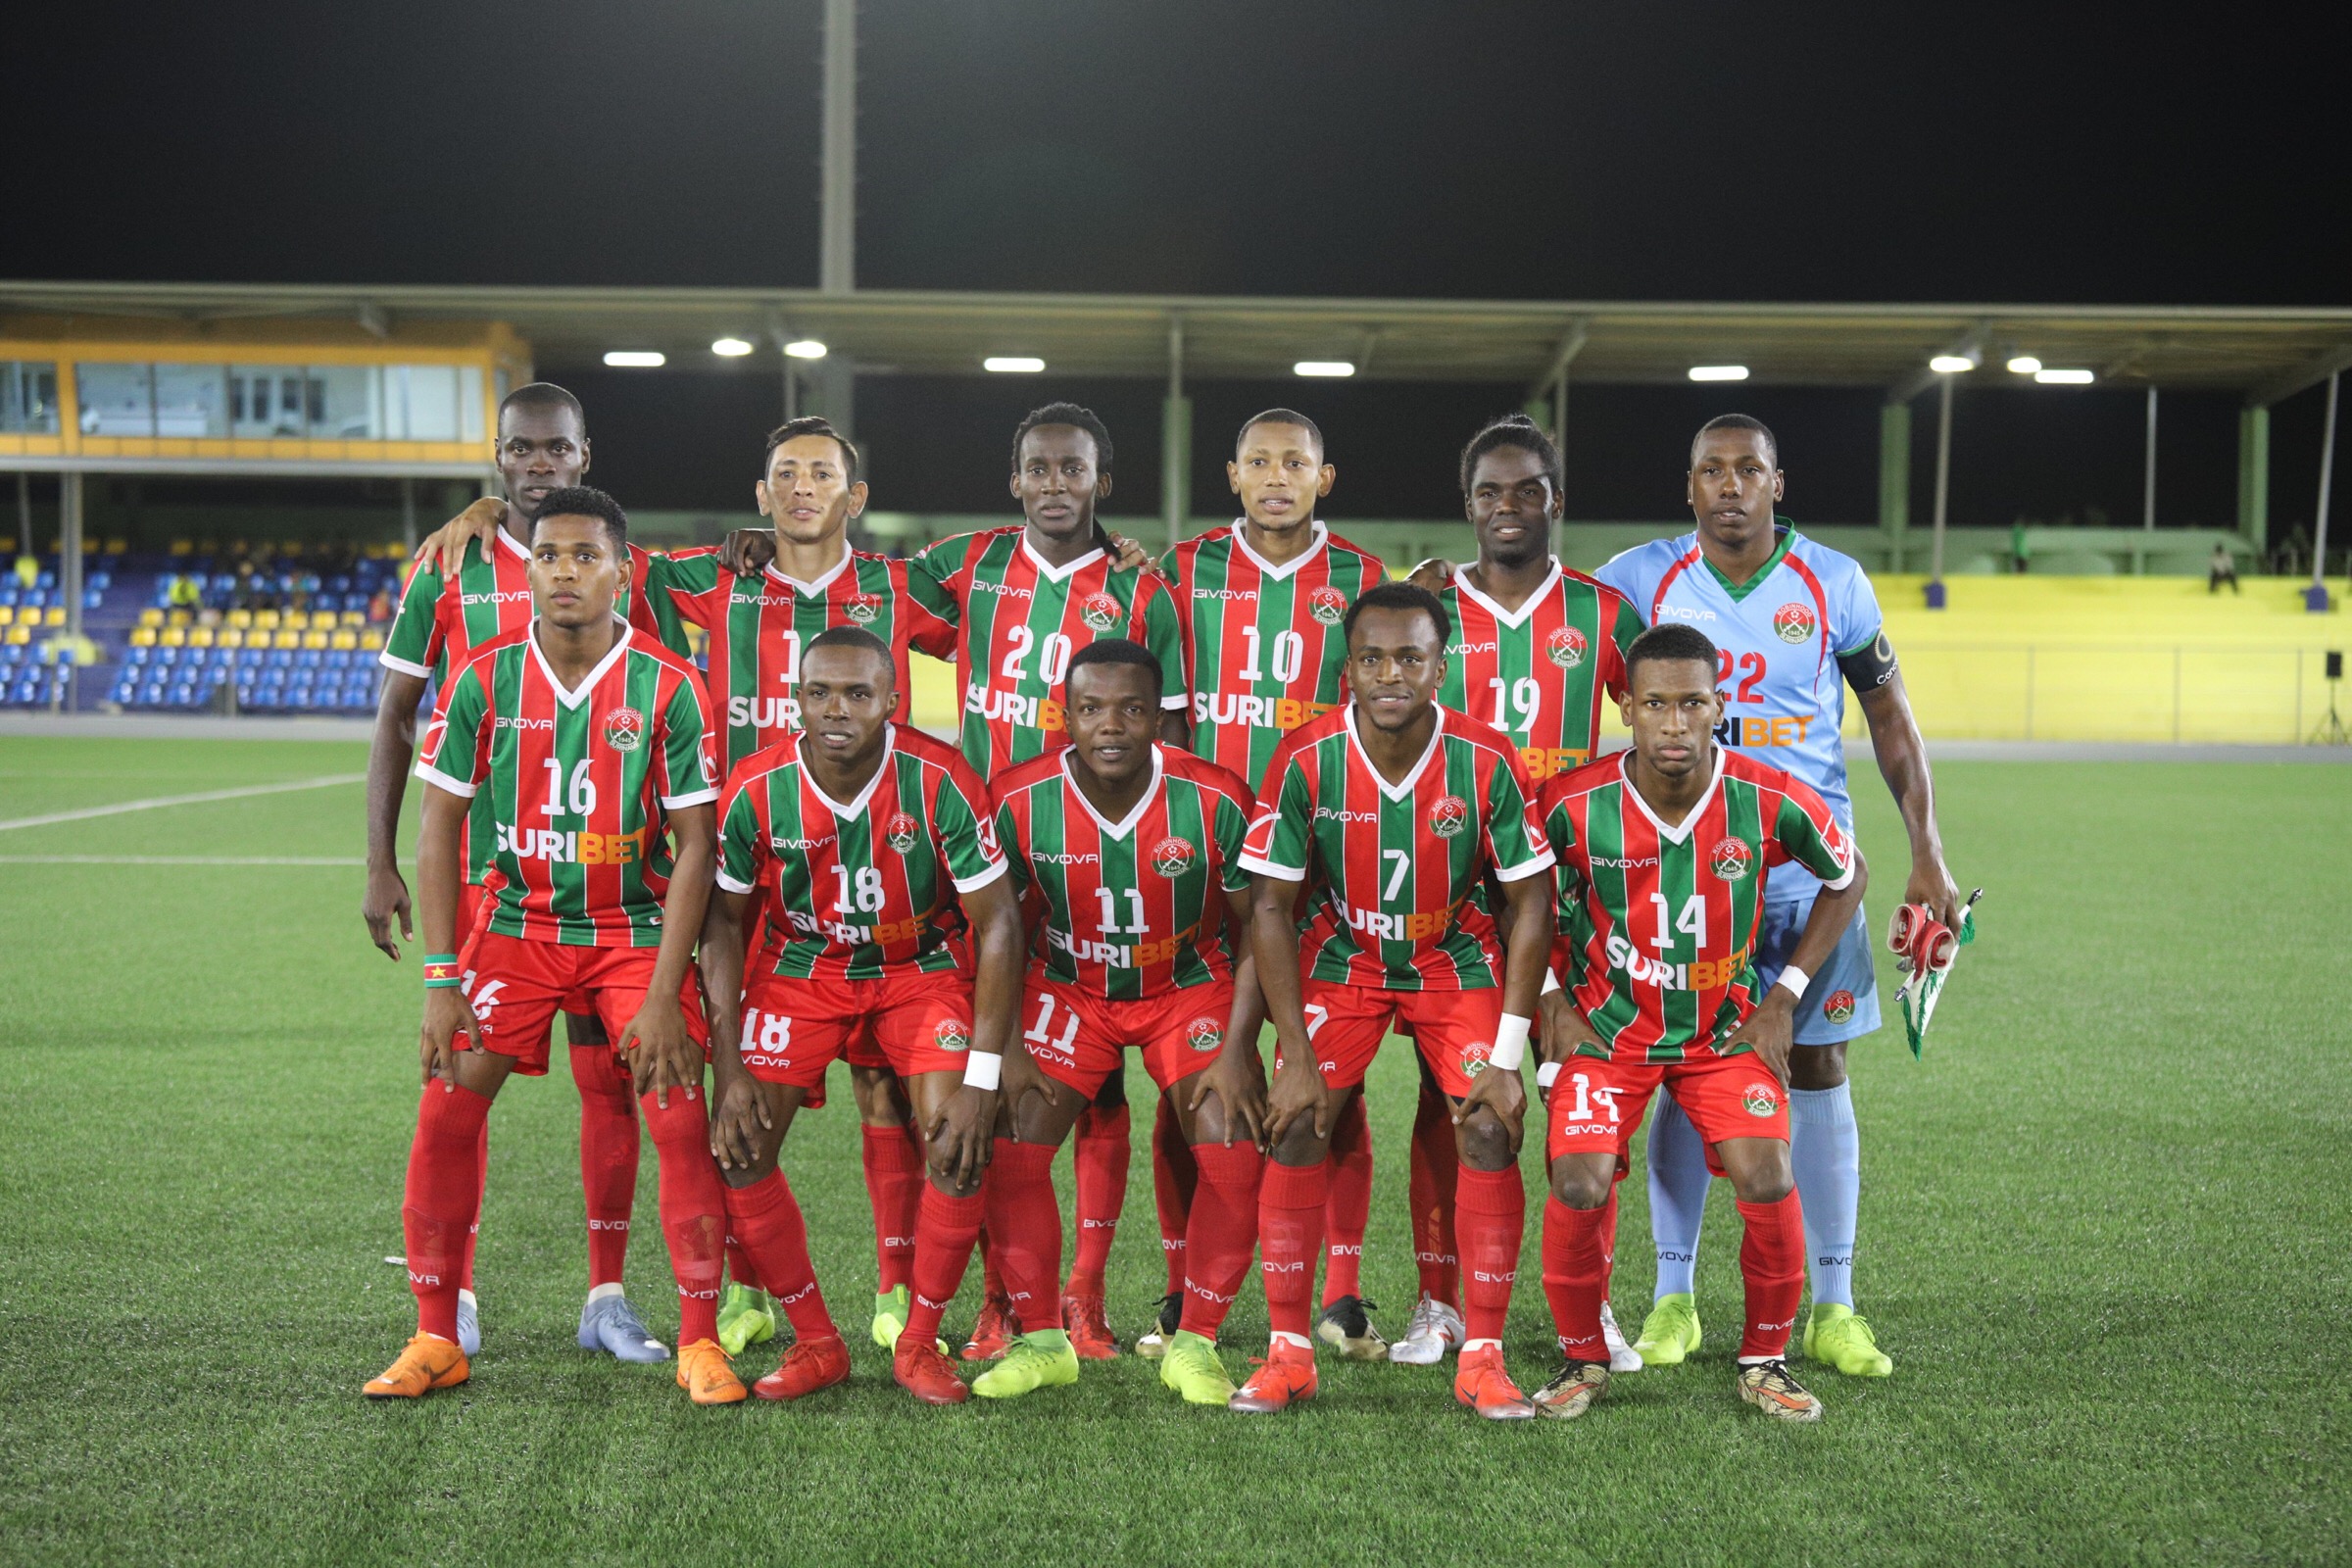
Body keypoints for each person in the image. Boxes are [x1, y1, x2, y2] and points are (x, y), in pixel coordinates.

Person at [364, 485, 757, 1405]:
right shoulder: (483, 677)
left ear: (623, 570)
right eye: (548, 556)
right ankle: (434, 1333)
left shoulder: (667, 681)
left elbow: (698, 842)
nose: (566, 571)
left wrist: (665, 994)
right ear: (528, 567)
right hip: (518, 926)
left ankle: (700, 1339)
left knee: (673, 1108)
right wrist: (440, 978)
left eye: (587, 556)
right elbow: (440, 829)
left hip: (630, 929)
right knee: (447, 1103)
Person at [1593, 415, 1959, 1379]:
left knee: (1820, 1066)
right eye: (1710, 470)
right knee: (1681, 1061)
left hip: (1803, 878)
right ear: (1689, 487)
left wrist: (1927, 852)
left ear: (1776, 482)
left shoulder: (1832, 582)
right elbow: (1551, 652)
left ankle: (1832, 1305)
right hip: (1686, 881)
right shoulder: (1638, 579)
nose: (1729, 486)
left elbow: (1890, 716)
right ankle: (1675, 1295)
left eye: (1747, 470)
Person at [1231, 581, 1556, 1419]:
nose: (1390, 674)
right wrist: (1293, 1056)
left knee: (1488, 1123)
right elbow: (1269, 904)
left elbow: (1531, 902)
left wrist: (1511, 1055)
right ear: (1348, 670)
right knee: (1297, 1121)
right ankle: (1289, 1352)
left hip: (1457, 956)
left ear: (1441, 669)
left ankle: (1481, 1353)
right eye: (1371, 657)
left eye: (1410, 656)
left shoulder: (1486, 757)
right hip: (1346, 955)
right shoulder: (1305, 757)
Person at [906, 403, 1190, 1361]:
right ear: (1016, 479)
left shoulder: (1140, 589)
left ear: (1102, 482)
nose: (1056, 483)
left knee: (1100, 1088)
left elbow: (1174, 736)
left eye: (1075, 469)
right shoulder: (965, 567)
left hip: (1099, 859)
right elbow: (853, 592)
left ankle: (1085, 1297)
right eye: (1040, 468)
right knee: (997, 1084)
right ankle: (1002, 1294)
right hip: (988, 864)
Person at [1532, 621, 1866, 1423]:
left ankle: (1765, 1359)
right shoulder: (1572, 803)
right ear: (1625, 707)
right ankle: (1583, 1359)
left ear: (1720, 706)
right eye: (1655, 704)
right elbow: (1519, 893)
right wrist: (1552, 994)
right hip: (1609, 1032)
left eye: (1692, 704)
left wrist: (1783, 996)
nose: (1674, 724)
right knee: (1577, 1181)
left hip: (1723, 1034)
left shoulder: (1767, 795)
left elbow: (1846, 875)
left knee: (1767, 1174)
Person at [697, 625, 1028, 1405]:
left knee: (956, 1143)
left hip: (921, 968)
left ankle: (919, 1343)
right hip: (802, 968)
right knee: (739, 1150)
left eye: (856, 693)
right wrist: (728, 1063)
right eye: (819, 693)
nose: (836, 709)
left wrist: (983, 1079)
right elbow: (721, 924)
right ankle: (818, 1341)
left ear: (892, 700)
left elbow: (1001, 923)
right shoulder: (756, 786)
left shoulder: (940, 777)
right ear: (795, 699)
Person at [1391, 414, 1646, 1370]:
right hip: (1454, 892)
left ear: (1556, 502)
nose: (1508, 506)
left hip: (1575, 893)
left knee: (1586, 1095)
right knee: (1448, 1099)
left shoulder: (1602, 613)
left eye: (1527, 489)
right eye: (1490, 492)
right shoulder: (1429, 602)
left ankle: (1594, 1304)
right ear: (1468, 506)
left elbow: (1661, 720)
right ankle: (1439, 1299)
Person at [1151, 409, 1388, 1361]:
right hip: (1209, 855)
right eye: (1260, 461)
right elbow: (1164, 720)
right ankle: (1180, 1286)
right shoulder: (1177, 573)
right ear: (1232, 475)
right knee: (1190, 1078)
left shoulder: (1367, 578)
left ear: (1325, 477)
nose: (1278, 475)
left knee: (1330, 1072)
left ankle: (1341, 1290)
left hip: (1321, 856)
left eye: (1297, 461)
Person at [983, 641, 1270, 1403]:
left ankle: (1197, 1341)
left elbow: (1260, 927)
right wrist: (1007, 1050)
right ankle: (1045, 1341)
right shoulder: (1015, 798)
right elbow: (994, 930)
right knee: (1008, 1145)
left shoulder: (1214, 797)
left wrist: (1241, 1045)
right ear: (1065, 715)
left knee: (1234, 1144)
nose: (1111, 727)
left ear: (1160, 718)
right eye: (1091, 709)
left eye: (1133, 709)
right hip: (1069, 983)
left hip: (1185, 981)